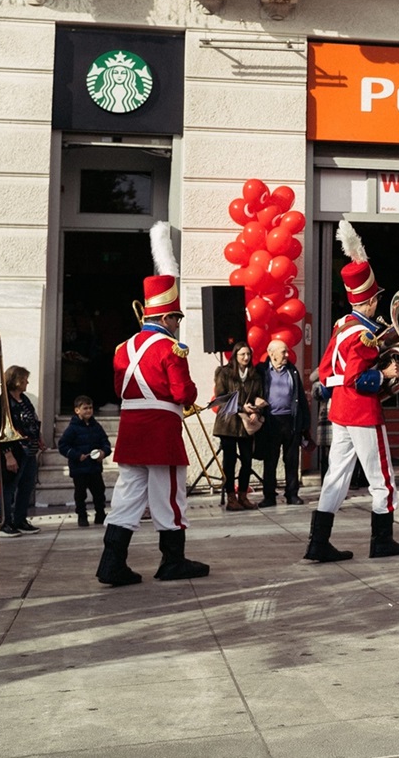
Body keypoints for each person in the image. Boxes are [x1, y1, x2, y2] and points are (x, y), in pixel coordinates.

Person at [96, 223, 209, 587]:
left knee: (127, 497)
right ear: (165, 317)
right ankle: (172, 561)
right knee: (170, 498)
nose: (178, 324)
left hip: (131, 430)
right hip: (161, 432)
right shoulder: (172, 349)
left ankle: (111, 564)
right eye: (175, 318)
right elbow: (182, 393)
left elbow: (118, 388)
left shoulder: (123, 347)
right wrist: (190, 396)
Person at [305, 220, 399, 562]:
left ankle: (318, 543)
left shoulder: (342, 328)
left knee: (336, 478)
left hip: (340, 413)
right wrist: (385, 373)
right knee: (382, 476)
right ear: (368, 302)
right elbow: (358, 378)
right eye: (377, 299)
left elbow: (326, 372)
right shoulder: (362, 335)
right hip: (363, 412)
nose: (378, 304)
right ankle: (382, 540)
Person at [255, 339, 311, 506]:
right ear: (271, 353)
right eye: (283, 352)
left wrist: (305, 423)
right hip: (271, 421)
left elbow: (300, 397)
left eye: (287, 351)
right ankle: (269, 496)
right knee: (270, 461)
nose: (287, 355)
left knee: (292, 460)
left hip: (291, 420)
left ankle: (292, 494)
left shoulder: (292, 371)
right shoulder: (262, 370)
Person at [0, 365, 43, 536]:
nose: (27, 382)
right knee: (9, 487)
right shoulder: (3, 402)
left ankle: (20, 519)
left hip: (29, 450)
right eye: (24, 379)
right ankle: (5, 523)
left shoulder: (25, 399)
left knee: (26, 486)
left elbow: (32, 420)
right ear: (15, 380)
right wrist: (8, 455)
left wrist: (38, 438)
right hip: (13, 451)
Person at [212, 342, 262, 510]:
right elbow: (221, 398)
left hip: (246, 425)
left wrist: (257, 411)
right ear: (235, 356)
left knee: (247, 460)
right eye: (242, 355)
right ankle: (231, 498)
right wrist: (241, 408)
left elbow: (259, 396)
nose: (246, 358)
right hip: (228, 423)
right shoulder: (224, 373)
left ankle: (243, 496)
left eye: (248, 354)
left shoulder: (254, 375)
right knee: (229, 461)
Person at [57, 395, 111, 526]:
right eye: (85, 408)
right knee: (80, 494)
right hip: (79, 468)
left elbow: (105, 442)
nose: (88, 411)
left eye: (90, 408)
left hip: (94, 467)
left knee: (99, 491)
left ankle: (100, 514)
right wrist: (76, 455)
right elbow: (63, 445)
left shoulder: (96, 426)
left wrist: (103, 452)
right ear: (77, 410)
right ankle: (82, 515)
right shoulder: (72, 428)